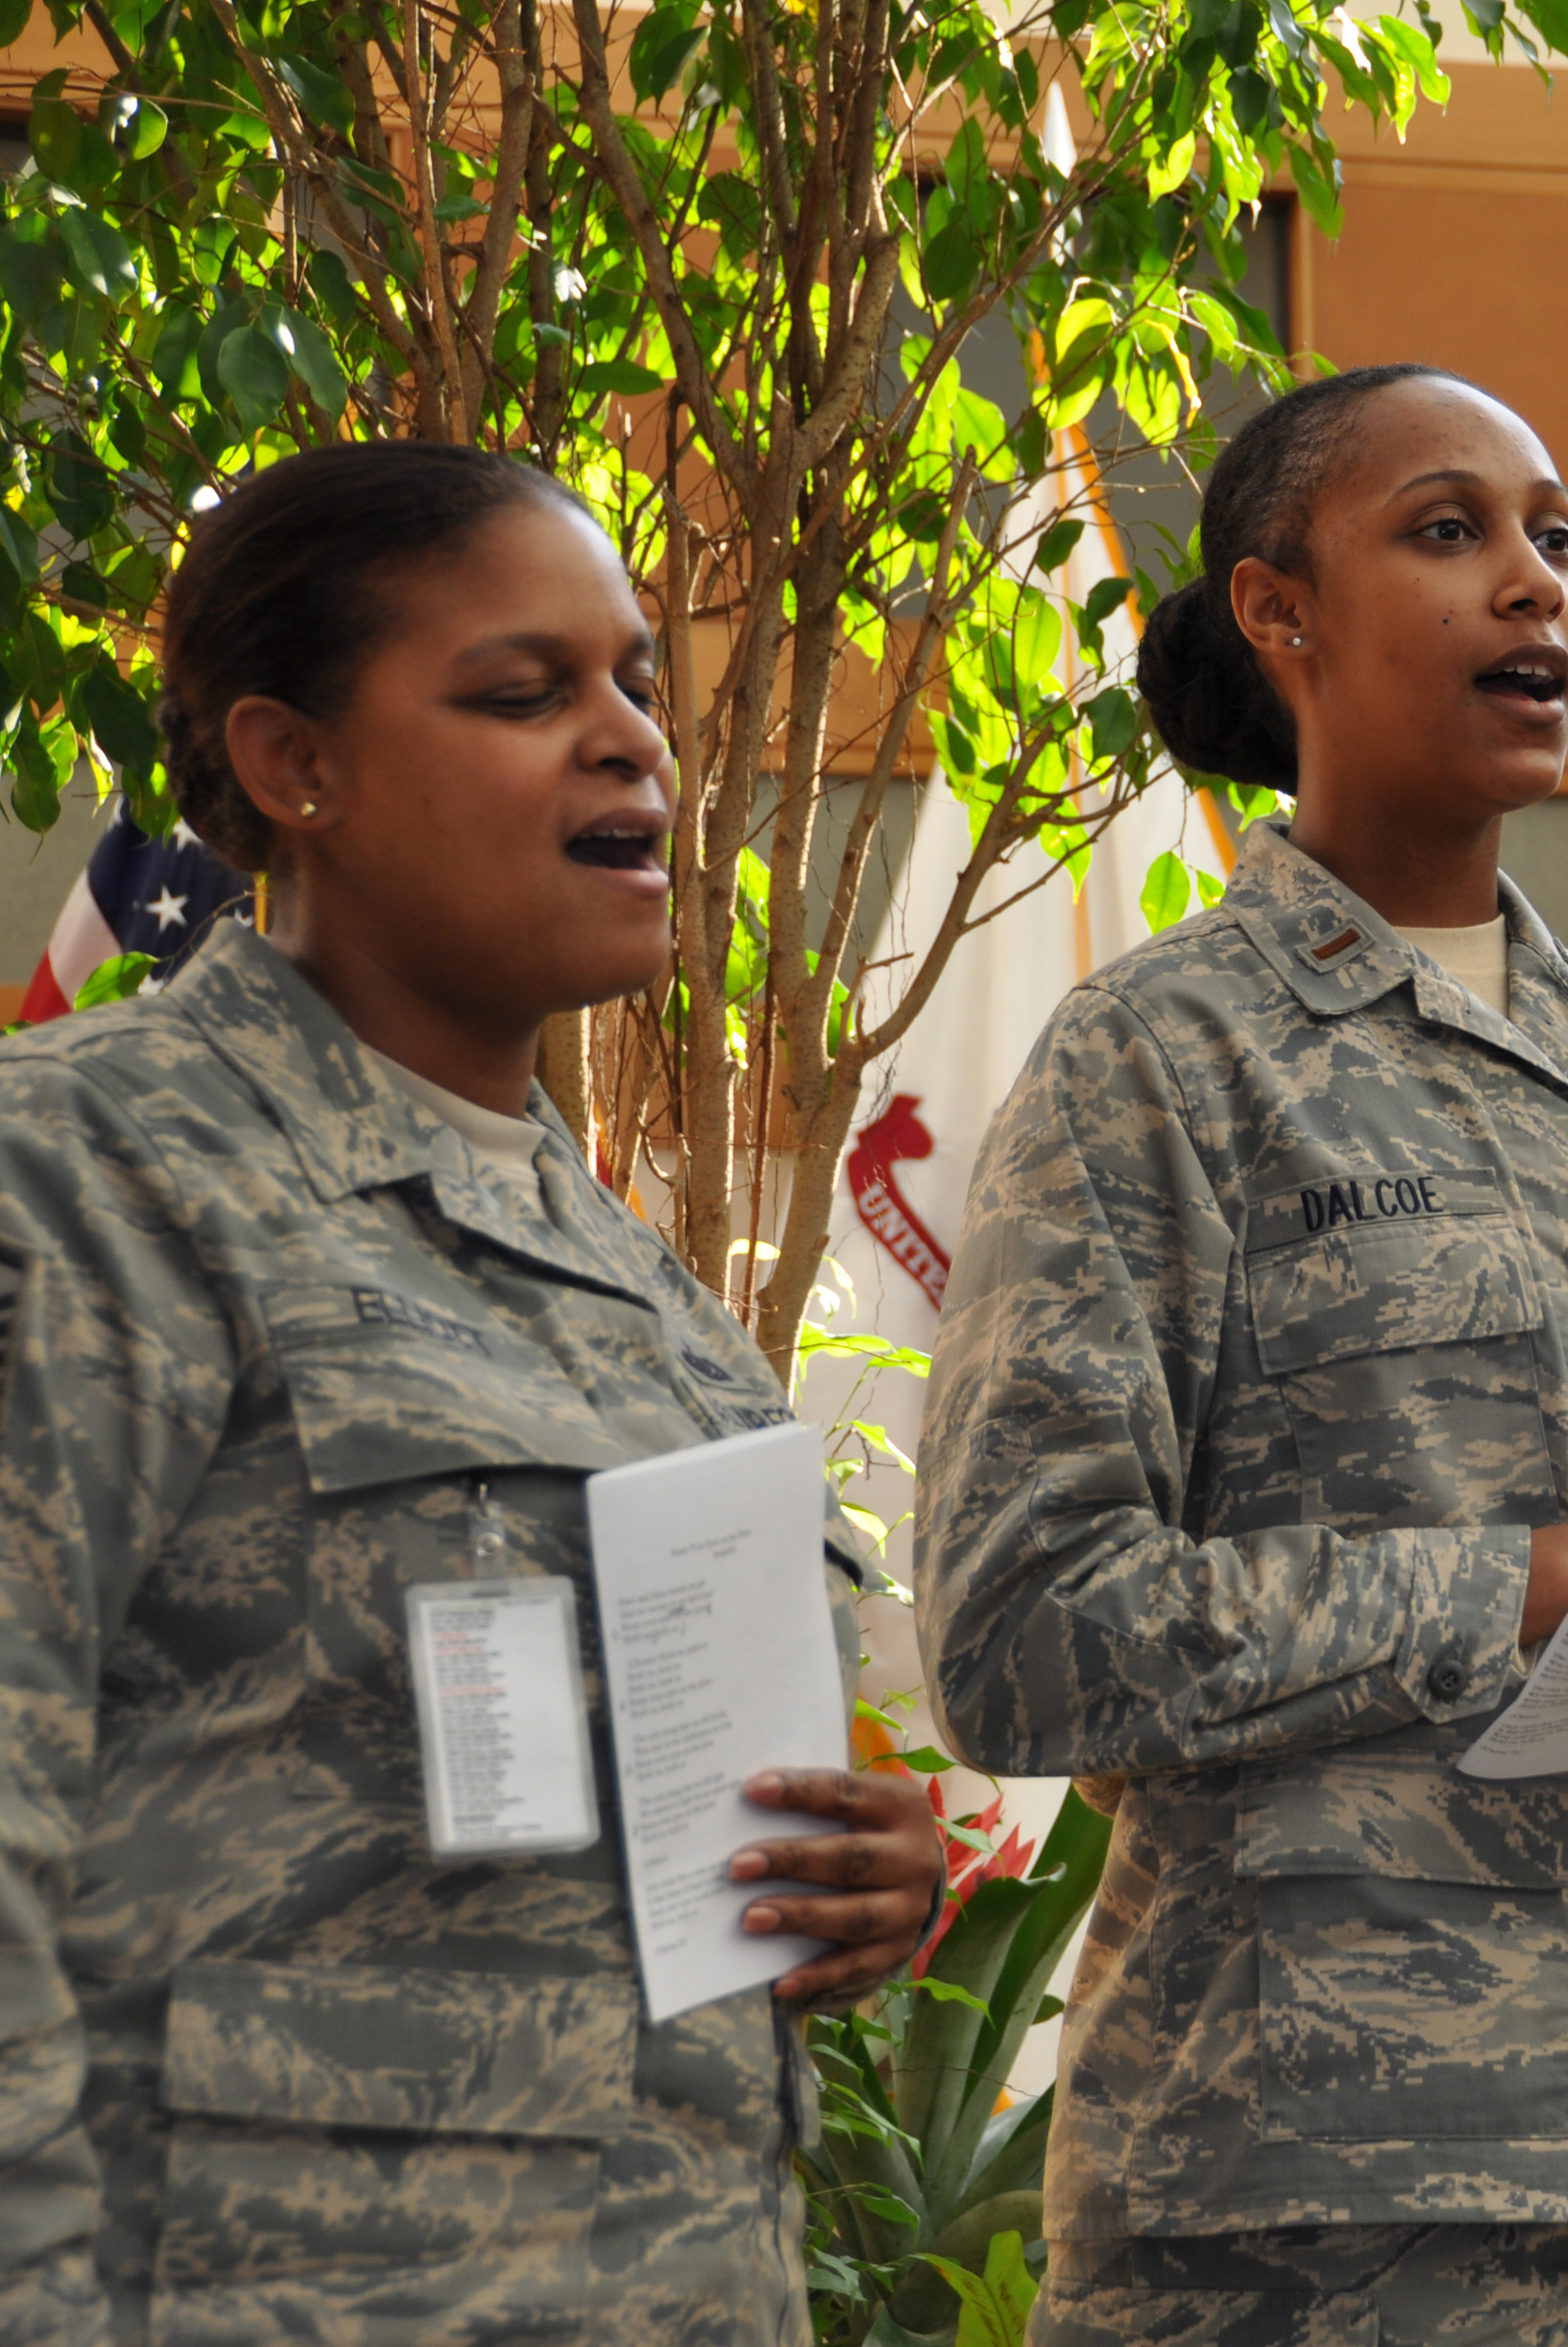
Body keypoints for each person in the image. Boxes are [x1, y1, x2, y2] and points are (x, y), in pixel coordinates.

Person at [915, 363, 1568, 2347]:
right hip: (1317, 2194)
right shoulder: (1158, 1065)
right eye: (1449, 533)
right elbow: (1019, 1632)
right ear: (1279, 614)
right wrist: (1509, 1590)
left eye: (1555, 539)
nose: (1533, 588)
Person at [0, 443, 945, 2341]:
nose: (631, 746)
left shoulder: (627, 1278)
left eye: (636, 688)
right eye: (524, 692)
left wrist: (864, 1871)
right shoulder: (91, 1177)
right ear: (295, 766)